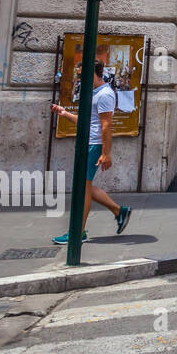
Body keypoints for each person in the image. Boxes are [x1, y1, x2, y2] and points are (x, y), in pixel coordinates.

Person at [50, 61, 131, 244]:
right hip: (87, 142)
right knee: (84, 185)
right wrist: (63, 113)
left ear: (94, 74)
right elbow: (88, 120)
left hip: (94, 144)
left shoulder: (105, 95)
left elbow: (106, 125)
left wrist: (106, 153)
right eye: (78, 75)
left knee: (83, 187)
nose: (79, 78)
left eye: (82, 74)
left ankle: (78, 232)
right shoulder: (93, 93)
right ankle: (119, 211)